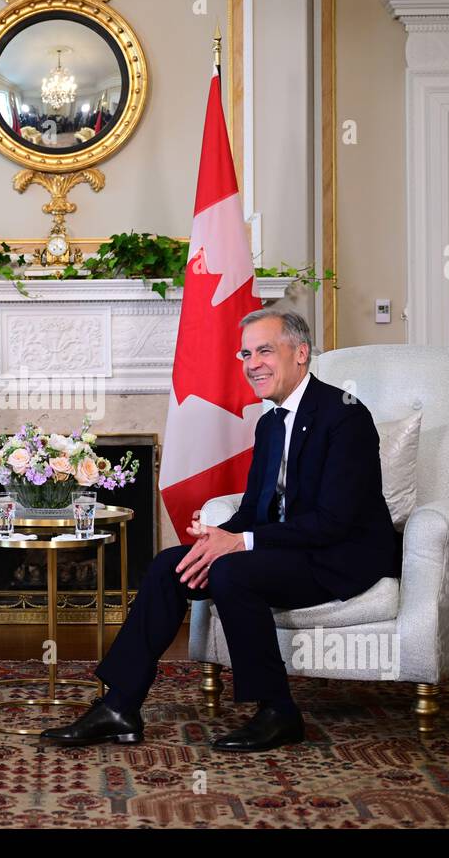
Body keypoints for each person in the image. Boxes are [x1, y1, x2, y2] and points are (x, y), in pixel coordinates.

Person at [42, 309, 400, 752]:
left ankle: (277, 711)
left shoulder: (344, 416)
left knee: (233, 572)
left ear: (301, 353)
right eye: (246, 353)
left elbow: (334, 522)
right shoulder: (270, 423)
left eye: (265, 351)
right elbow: (254, 510)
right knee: (173, 564)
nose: (252, 364)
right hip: (289, 552)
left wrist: (239, 543)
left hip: (342, 556)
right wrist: (217, 536)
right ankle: (120, 705)